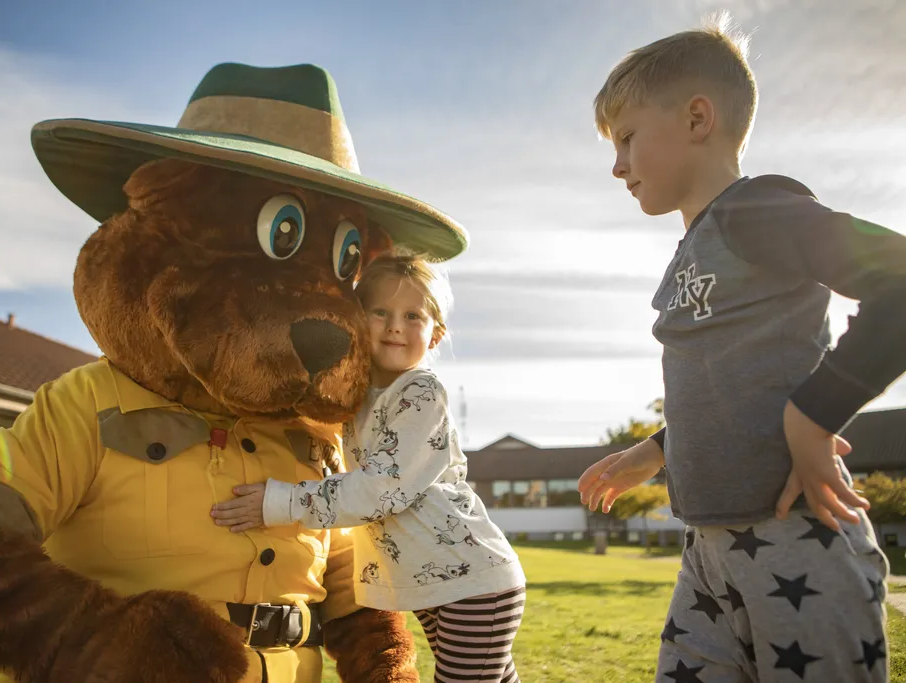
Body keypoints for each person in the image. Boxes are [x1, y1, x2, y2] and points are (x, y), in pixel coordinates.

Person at [577, 14, 906, 683]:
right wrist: (656, 449)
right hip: (708, 549)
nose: (617, 166)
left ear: (698, 118)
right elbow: (733, 377)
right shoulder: (690, 251)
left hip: (799, 540)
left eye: (628, 138)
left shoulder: (759, 210)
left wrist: (814, 415)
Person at [212, 250, 527, 683]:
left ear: (435, 336)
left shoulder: (420, 393)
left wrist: (280, 502)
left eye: (413, 316)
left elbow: (379, 490)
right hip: (440, 586)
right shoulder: (359, 398)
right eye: (380, 312)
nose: (396, 325)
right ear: (356, 322)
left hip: (473, 583)